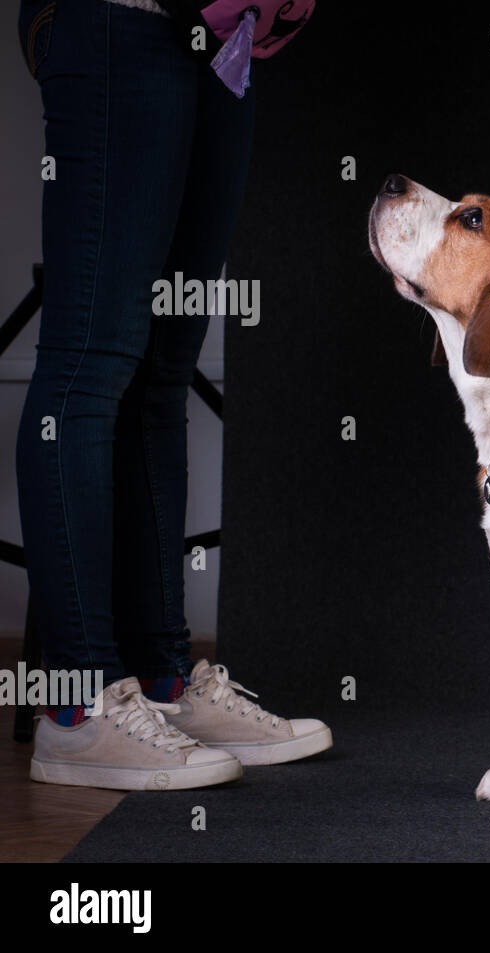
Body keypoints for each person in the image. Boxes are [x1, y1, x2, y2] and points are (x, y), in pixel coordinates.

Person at [15, 0, 330, 790]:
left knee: (162, 374)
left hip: (221, 35)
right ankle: (76, 708)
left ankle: (165, 683)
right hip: (116, 16)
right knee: (90, 361)